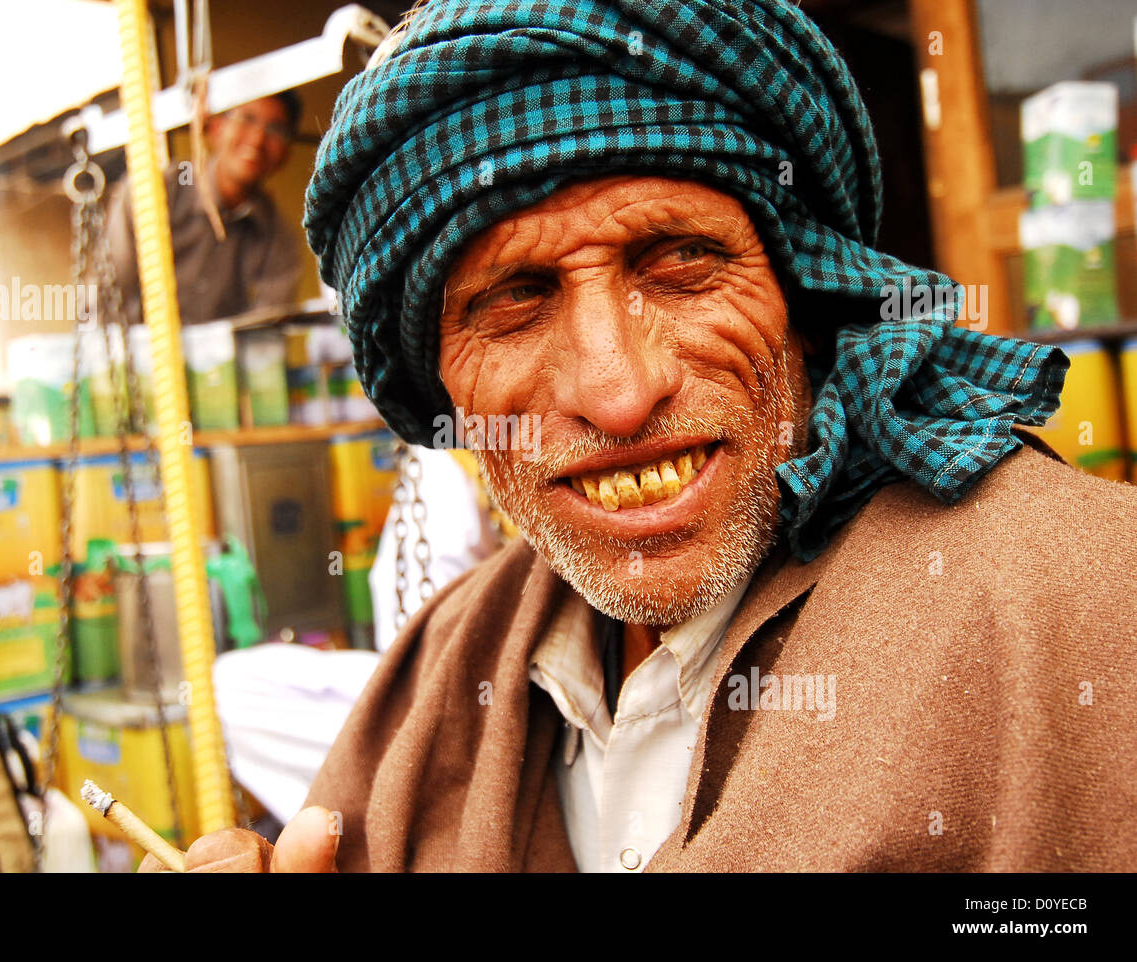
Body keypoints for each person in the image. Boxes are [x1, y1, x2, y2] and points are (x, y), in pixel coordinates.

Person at [143, 0, 1137, 873]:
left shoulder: (1083, 594)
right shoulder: (441, 670)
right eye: (516, 298)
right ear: (438, 375)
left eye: (680, 261)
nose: (616, 393)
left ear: (801, 294)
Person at [103, 92, 304, 325]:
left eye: (276, 130)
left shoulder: (279, 239)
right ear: (216, 127)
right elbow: (105, 298)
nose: (258, 139)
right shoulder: (154, 193)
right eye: (247, 119)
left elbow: (267, 332)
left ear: (286, 154)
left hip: (223, 361)